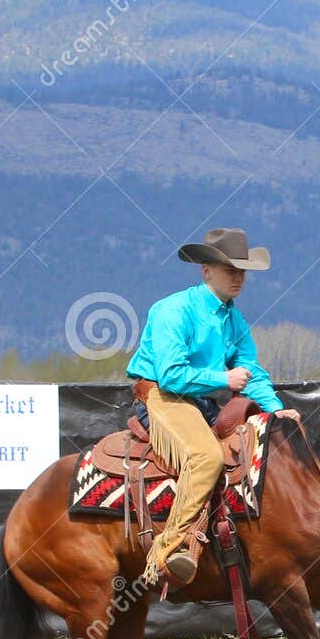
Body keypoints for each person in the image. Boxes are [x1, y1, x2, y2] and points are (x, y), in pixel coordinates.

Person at [125, 228, 298, 585]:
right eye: (228, 268)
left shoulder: (234, 320)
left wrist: (275, 409)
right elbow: (172, 375)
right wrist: (223, 380)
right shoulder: (172, 310)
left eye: (242, 270)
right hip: (163, 397)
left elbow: (253, 372)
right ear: (206, 271)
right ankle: (168, 550)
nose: (238, 277)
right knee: (206, 457)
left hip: (198, 402)